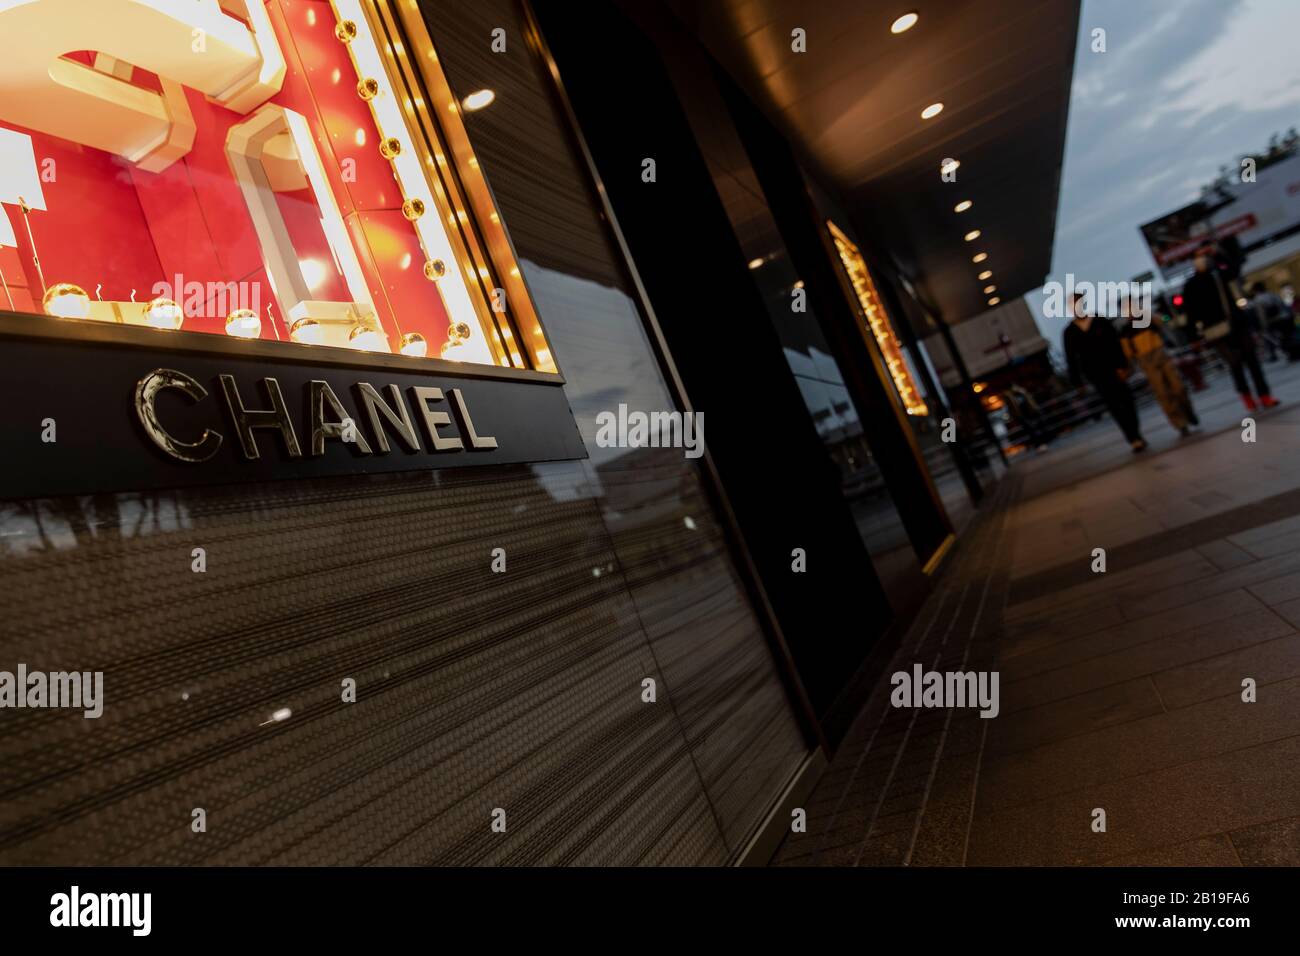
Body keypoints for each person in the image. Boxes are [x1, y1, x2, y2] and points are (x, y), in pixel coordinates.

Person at [1181, 251, 1279, 411]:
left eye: (1203, 256)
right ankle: (1248, 398)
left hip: (1237, 325)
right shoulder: (1190, 286)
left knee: (1253, 362)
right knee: (1235, 365)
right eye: (1198, 256)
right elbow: (1190, 313)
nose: (1202, 259)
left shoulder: (1219, 275)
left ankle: (1264, 396)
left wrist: (1219, 254)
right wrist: (1193, 337)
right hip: (1216, 331)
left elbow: (1235, 269)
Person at [1063, 293, 1147, 452]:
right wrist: (1078, 382)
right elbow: (1071, 359)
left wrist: (1122, 365)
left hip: (1114, 370)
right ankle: (1132, 437)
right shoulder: (1070, 332)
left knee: (1127, 401)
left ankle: (1135, 432)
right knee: (1114, 405)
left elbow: (1115, 343)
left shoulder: (1100, 321)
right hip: (1095, 375)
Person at [1120, 318, 1199, 437]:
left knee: (1179, 387)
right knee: (1163, 393)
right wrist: (1128, 367)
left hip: (1161, 355)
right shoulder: (1125, 331)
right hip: (1146, 361)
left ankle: (1188, 412)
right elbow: (1128, 353)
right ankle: (1180, 424)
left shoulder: (1149, 319)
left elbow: (1162, 322)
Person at [1248, 281, 1294, 361]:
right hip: (1283, 318)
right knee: (1287, 336)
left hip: (1273, 321)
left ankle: (1288, 353)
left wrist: (1264, 325)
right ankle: (1293, 351)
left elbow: (1261, 314)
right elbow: (1282, 305)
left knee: (1279, 339)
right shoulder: (1272, 294)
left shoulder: (1258, 299)